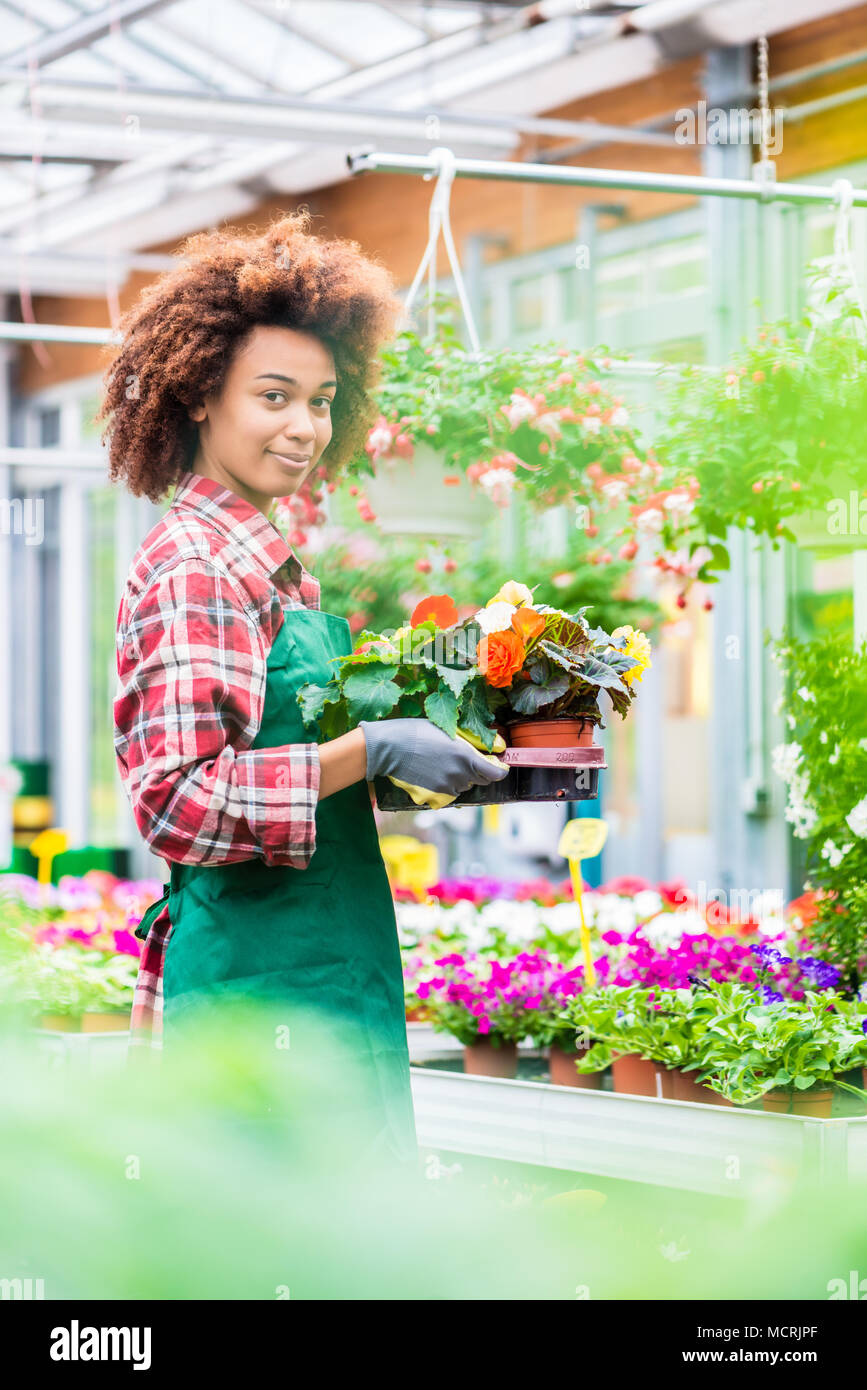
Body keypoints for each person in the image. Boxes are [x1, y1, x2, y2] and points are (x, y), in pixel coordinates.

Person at [103, 210, 509, 1169]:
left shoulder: (273, 568)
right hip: (259, 990)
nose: (305, 428)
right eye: (274, 395)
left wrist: (434, 750)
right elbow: (176, 802)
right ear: (200, 393)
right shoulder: (199, 564)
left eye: (322, 401)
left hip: (324, 972)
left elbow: (279, 765)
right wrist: (371, 749)